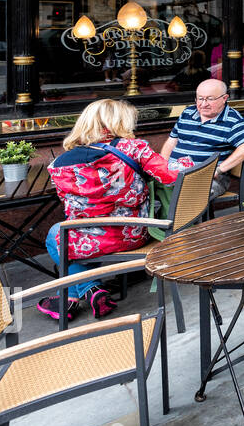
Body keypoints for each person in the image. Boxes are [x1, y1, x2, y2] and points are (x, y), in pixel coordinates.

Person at [43, 99, 193, 320]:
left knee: (56, 236)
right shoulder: (133, 148)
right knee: (63, 237)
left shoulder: (59, 164)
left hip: (89, 239)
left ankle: (85, 291)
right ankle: (85, 291)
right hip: (136, 232)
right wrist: (190, 162)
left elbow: (70, 207)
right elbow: (172, 176)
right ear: (119, 122)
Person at [160, 78, 244, 199]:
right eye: (200, 98)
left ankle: (184, 218)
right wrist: (162, 165)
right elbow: (171, 142)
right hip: (174, 172)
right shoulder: (187, 113)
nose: (204, 104)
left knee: (185, 195)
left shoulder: (232, 120)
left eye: (210, 99)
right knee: (143, 186)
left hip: (208, 178)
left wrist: (219, 170)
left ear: (224, 98)